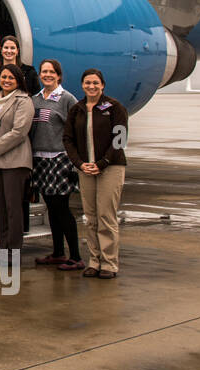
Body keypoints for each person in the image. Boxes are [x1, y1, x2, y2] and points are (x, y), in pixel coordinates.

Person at [63, 68, 128, 279]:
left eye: (95, 83)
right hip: (86, 168)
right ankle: (94, 260)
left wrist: (102, 163)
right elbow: (68, 139)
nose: (91, 87)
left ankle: (109, 263)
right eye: (87, 83)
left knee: (105, 216)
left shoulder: (115, 107)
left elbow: (120, 140)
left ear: (102, 85)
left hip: (110, 168)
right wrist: (79, 163)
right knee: (90, 217)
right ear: (82, 85)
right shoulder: (77, 109)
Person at [30, 59, 83, 270]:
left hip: (59, 159)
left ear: (59, 75)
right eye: (44, 72)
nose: (47, 75)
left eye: (52, 72)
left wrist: (75, 161)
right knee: (51, 208)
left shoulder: (67, 99)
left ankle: (76, 256)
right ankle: (58, 252)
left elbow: (77, 130)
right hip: (40, 159)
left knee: (62, 208)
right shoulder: (35, 100)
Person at [0, 64, 34, 254]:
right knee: (1, 209)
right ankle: (4, 249)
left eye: (11, 77)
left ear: (18, 80)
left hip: (15, 161)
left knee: (13, 209)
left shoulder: (23, 100)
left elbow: (19, 131)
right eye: (4, 77)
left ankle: (14, 250)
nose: (6, 80)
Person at [0, 35, 39, 104]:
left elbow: (35, 96)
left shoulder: (29, 72)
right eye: (6, 48)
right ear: (1, 50)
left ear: (17, 51)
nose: (9, 51)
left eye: (12, 48)